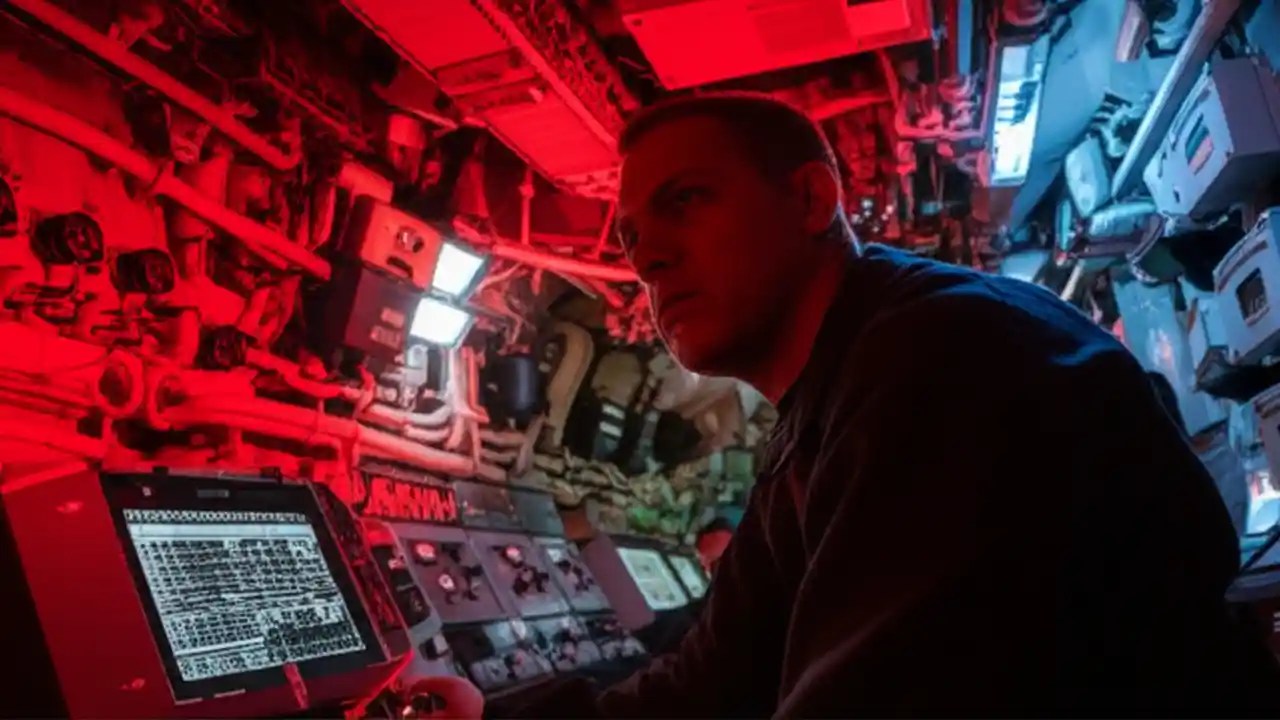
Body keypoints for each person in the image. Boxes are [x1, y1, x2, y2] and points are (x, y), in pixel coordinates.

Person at [421, 92, 1280, 717]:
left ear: (810, 198)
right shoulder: (826, 405)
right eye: (633, 239)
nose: (648, 260)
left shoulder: (940, 361)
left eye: (685, 202)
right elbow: (711, 682)